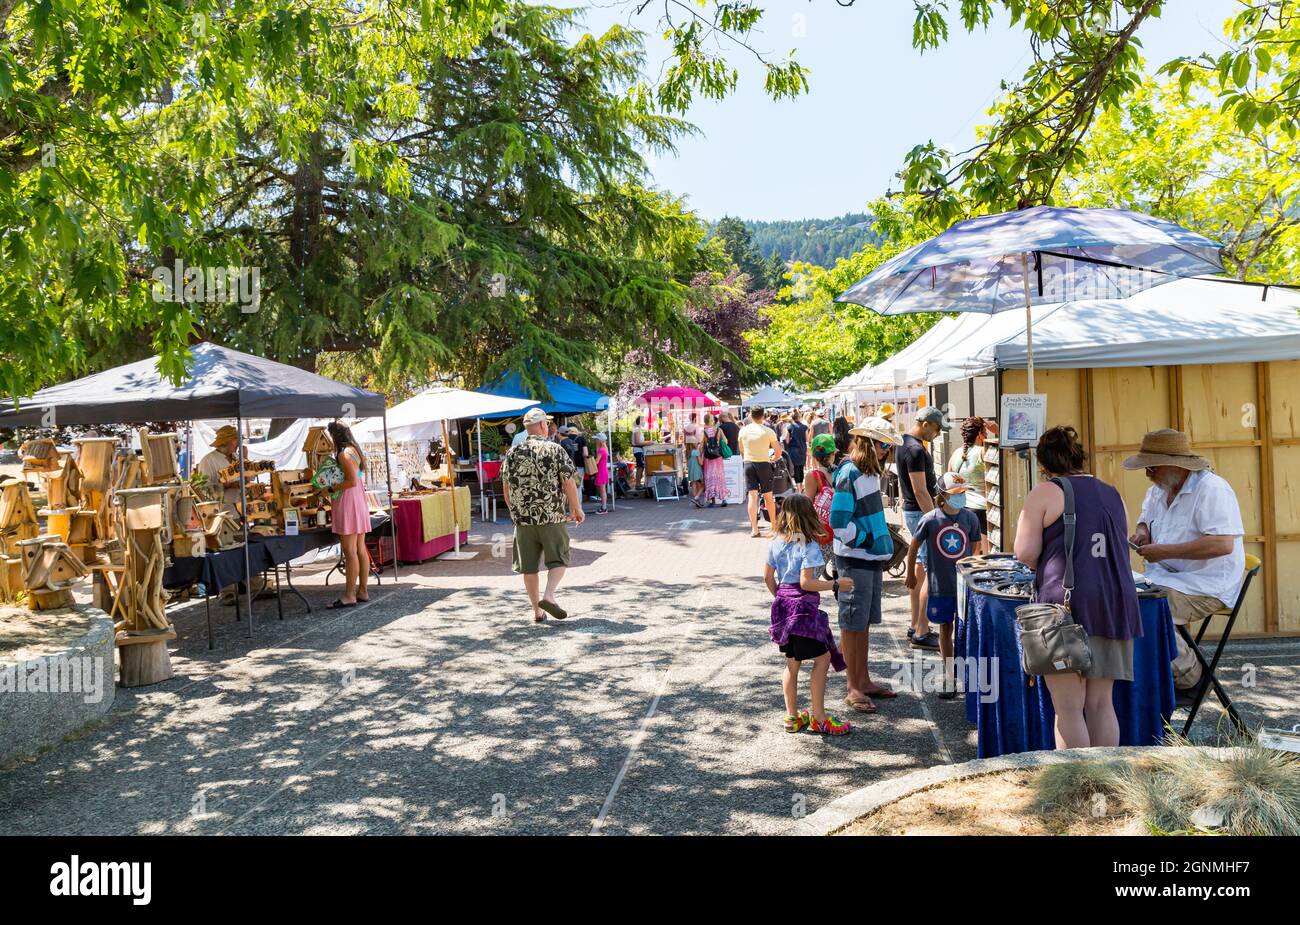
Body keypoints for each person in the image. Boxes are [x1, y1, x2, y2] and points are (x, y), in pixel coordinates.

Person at [1015, 426, 1143, 749]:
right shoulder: (1112, 493)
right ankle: (1105, 786)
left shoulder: (1044, 492)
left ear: (1044, 465)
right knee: (1101, 704)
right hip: (1115, 601)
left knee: (1068, 708)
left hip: (1066, 607)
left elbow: (1025, 553)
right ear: (1080, 458)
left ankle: (1077, 787)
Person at [1124, 429, 1244, 693]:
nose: (1147, 473)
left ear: (1175, 464)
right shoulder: (1159, 488)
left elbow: (1222, 544)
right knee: (1124, 597)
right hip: (1165, 575)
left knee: (1146, 610)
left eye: (1152, 467)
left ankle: (1191, 677)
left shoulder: (1212, 489)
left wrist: (1165, 551)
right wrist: (1142, 533)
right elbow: (1145, 519)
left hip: (1205, 584)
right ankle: (1157, 678)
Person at [829, 419, 902, 714]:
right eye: (883, 444)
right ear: (868, 443)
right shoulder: (850, 473)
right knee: (852, 624)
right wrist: (867, 539)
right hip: (855, 559)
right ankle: (854, 687)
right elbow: (838, 522)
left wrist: (872, 542)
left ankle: (863, 680)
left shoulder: (866, 472)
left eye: (889, 445)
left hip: (868, 559)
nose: (886, 450)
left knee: (863, 623)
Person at [764, 493, 853, 736]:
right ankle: (820, 718)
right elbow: (806, 582)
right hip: (802, 611)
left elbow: (767, 578)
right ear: (809, 516)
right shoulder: (809, 545)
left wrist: (782, 598)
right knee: (822, 659)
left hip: (783, 608)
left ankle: (792, 717)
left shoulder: (775, 542)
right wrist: (837, 584)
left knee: (792, 664)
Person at [501, 407, 585, 623]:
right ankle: (549, 595)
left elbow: (506, 487)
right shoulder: (554, 450)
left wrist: (515, 511)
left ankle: (537, 612)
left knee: (528, 567)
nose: (548, 427)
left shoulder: (512, 453)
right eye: (546, 423)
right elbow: (568, 482)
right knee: (559, 558)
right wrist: (576, 509)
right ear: (541, 426)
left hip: (523, 521)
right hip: (551, 516)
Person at [905, 472, 982, 699]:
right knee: (945, 629)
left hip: (964, 587)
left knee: (966, 630)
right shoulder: (930, 519)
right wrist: (910, 573)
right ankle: (949, 677)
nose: (960, 497)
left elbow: (976, 548)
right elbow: (914, 546)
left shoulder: (970, 519)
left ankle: (969, 676)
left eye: (963, 493)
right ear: (942, 495)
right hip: (941, 587)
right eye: (955, 493)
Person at [898, 406, 947, 651]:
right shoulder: (916, 449)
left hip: (912, 510)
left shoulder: (904, 443)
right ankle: (922, 629)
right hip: (920, 511)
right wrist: (935, 518)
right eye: (937, 429)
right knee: (929, 570)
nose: (937, 434)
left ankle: (916, 623)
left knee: (920, 567)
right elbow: (919, 489)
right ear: (926, 424)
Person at [327, 421, 372, 609]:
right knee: (360, 549)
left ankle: (349, 595)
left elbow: (351, 481)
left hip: (348, 503)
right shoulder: (355, 450)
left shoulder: (343, 454)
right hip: (359, 502)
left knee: (350, 551)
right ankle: (362, 590)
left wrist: (331, 487)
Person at [947, 416, 990, 553]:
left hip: (961, 507)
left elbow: (949, 481)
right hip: (980, 508)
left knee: (967, 551)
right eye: (985, 432)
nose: (987, 435)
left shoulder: (955, 454)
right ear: (979, 434)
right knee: (983, 553)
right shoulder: (983, 452)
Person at [739, 406, 783, 537]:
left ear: (750, 416)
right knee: (768, 496)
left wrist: (746, 458)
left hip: (748, 464)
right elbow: (778, 451)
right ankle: (774, 527)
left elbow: (741, 449)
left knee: (752, 497)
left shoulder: (743, 431)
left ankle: (754, 528)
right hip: (764, 463)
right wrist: (773, 459)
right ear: (763, 416)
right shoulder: (768, 431)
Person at [803, 432, 840, 566]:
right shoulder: (840, 471)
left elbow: (808, 504)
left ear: (813, 456)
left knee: (813, 574)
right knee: (840, 573)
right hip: (841, 531)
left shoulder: (813, 476)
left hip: (822, 532)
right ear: (833, 454)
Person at [196, 425, 245, 510]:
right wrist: (226, 486)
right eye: (236, 440)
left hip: (241, 509)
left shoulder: (236, 457)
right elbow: (202, 488)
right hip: (222, 513)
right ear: (226, 442)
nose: (239, 444)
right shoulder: (208, 461)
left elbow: (248, 477)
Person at [699, 413, 728, 507]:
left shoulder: (704, 432)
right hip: (718, 457)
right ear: (712, 420)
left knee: (710, 478)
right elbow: (726, 441)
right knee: (720, 477)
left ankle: (712, 501)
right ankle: (723, 499)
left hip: (708, 459)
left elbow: (701, 446)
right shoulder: (718, 430)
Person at [782, 408, 809, 483]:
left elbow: (787, 441)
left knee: (796, 467)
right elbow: (807, 439)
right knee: (801, 467)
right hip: (802, 449)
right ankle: (801, 483)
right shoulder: (804, 427)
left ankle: (799, 486)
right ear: (799, 417)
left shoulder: (789, 427)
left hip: (793, 450)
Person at [591, 432, 610, 514]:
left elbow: (596, 461)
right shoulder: (604, 449)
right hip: (603, 470)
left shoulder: (601, 450)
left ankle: (604, 507)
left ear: (599, 441)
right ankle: (604, 507)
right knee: (603, 490)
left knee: (602, 491)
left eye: (596, 439)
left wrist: (590, 461)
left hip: (601, 471)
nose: (595, 441)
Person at [631, 415, 648, 489]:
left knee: (641, 467)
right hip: (638, 451)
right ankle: (637, 484)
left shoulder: (638, 429)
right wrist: (648, 443)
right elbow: (637, 442)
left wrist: (646, 442)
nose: (645, 422)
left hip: (639, 451)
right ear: (640, 421)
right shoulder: (637, 430)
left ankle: (639, 484)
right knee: (640, 467)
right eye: (644, 420)